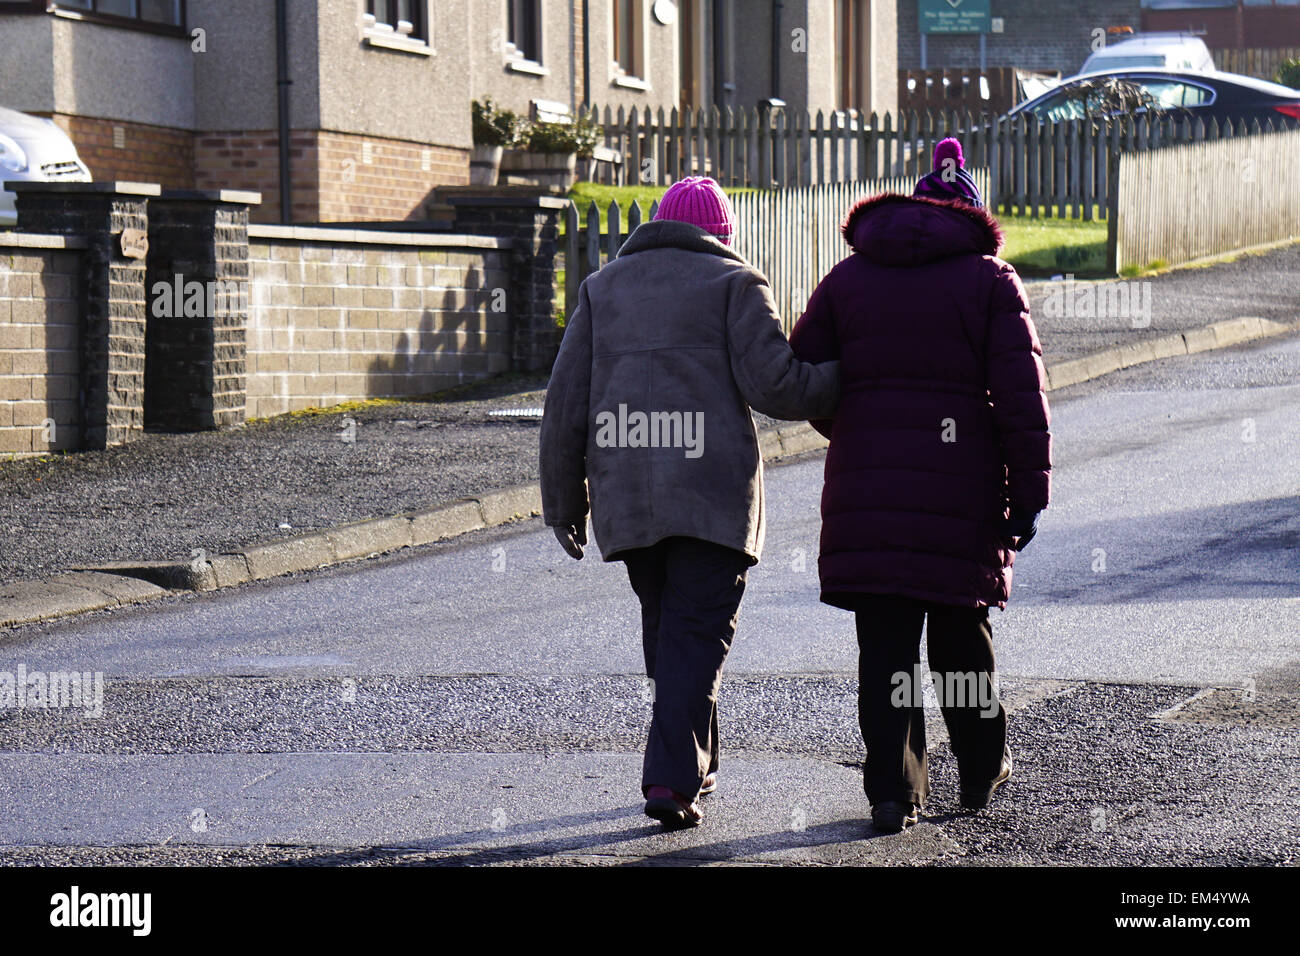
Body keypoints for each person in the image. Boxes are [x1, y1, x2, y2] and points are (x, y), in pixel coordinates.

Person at [541, 176, 840, 829]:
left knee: (672, 636)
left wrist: (564, 503)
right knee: (693, 637)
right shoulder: (734, 285)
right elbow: (781, 388)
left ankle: (696, 766)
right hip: (712, 501)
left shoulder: (601, 289)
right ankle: (670, 781)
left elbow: (564, 405)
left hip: (627, 502)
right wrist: (853, 371)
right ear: (721, 235)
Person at [789, 138, 1052, 834]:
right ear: (970, 216)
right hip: (961, 492)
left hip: (866, 493)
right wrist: (1027, 495)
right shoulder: (992, 283)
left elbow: (804, 371)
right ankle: (977, 770)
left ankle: (892, 791)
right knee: (961, 636)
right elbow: (1022, 401)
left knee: (886, 645)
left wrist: (847, 428)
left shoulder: (848, 280)